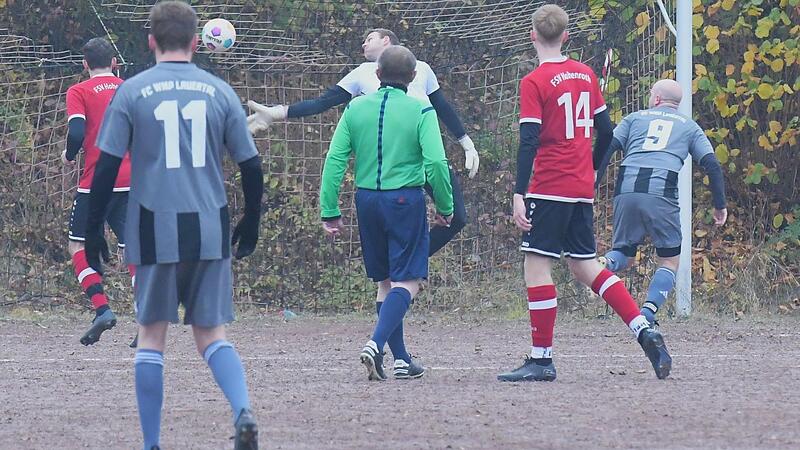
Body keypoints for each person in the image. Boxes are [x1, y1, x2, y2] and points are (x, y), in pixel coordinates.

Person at [85, 2, 263, 448]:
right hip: (209, 225)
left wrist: (92, 228)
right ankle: (242, 410)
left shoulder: (132, 91)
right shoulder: (219, 91)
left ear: (150, 41)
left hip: (153, 227)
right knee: (211, 335)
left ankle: (152, 443)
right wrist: (252, 219)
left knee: (151, 336)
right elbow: (251, 165)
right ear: (196, 42)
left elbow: (105, 168)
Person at [497, 4, 672, 382]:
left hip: (549, 185)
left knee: (537, 266)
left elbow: (529, 140)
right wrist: (591, 169)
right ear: (566, 36)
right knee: (585, 266)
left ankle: (542, 359)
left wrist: (519, 192)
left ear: (532, 35)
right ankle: (643, 328)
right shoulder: (586, 73)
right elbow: (606, 132)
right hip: (579, 187)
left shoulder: (534, 81)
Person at [246, 28, 474, 256]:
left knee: (457, 218)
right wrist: (277, 112)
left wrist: (466, 143)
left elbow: (441, 106)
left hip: (424, 156)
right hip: (390, 167)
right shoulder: (363, 72)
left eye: (369, 39)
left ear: (386, 40)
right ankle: (405, 267)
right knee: (393, 244)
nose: (363, 44)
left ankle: (412, 260)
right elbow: (323, 102)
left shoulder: (420, 68)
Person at [319, 45, 453, 381]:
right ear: (413, 76)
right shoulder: (421, 110)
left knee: (385, 282)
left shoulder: (354, 108)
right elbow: (436, 163)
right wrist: (445, 205)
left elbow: (335, 159)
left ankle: (402, 360)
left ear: (377, 74)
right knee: (409, 281)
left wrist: (329, 209)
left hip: (367, 200)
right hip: (404, 200)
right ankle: (375, 344)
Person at [594, 79, 728, 325]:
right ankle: (648, 312)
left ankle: (605, 262)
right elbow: (712, 164)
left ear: (656, 99)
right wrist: (719, 205)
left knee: (624, 254)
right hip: (661, 191)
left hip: (626, 188)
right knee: (669, 259)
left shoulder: (633, 118)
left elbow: (607, 148)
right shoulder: (690, 127)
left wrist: (592, 183)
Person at [63, 37, 134, 346]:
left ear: (85, 64)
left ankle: (102, 309)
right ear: (114, 62)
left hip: (96, 183)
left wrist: (69, 155)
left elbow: (77, 131)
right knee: (133, 248)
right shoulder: (129, 89)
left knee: (77, 246)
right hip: (131, 179)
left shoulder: (78, 91)